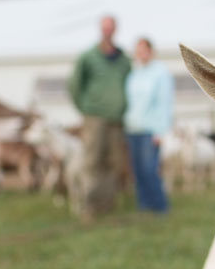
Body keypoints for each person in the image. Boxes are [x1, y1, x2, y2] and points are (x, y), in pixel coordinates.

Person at [68, 15, 131, 221]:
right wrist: (84, 107)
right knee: (93, 161)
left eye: (111, 28)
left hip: (116, 119)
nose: (107, 31)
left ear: (115, 30)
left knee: (113, 161)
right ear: (100, 30)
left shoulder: (123, 59)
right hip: (95, 118)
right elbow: (74, 85)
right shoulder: (88, 57)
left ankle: (107, 204)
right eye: (104, 28)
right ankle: (90, 206)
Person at [123, 37, 174, 213]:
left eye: (144, 50)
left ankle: (159, 207)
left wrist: (161, 131)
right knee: (137, 171)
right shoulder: (134, 74)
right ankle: (143, 206)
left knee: (150, 169)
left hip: (150, 130)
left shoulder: (160, 73)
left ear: (151, 52)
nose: (141, 54)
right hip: (132, 128)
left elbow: (164, 103)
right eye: (138, 50)